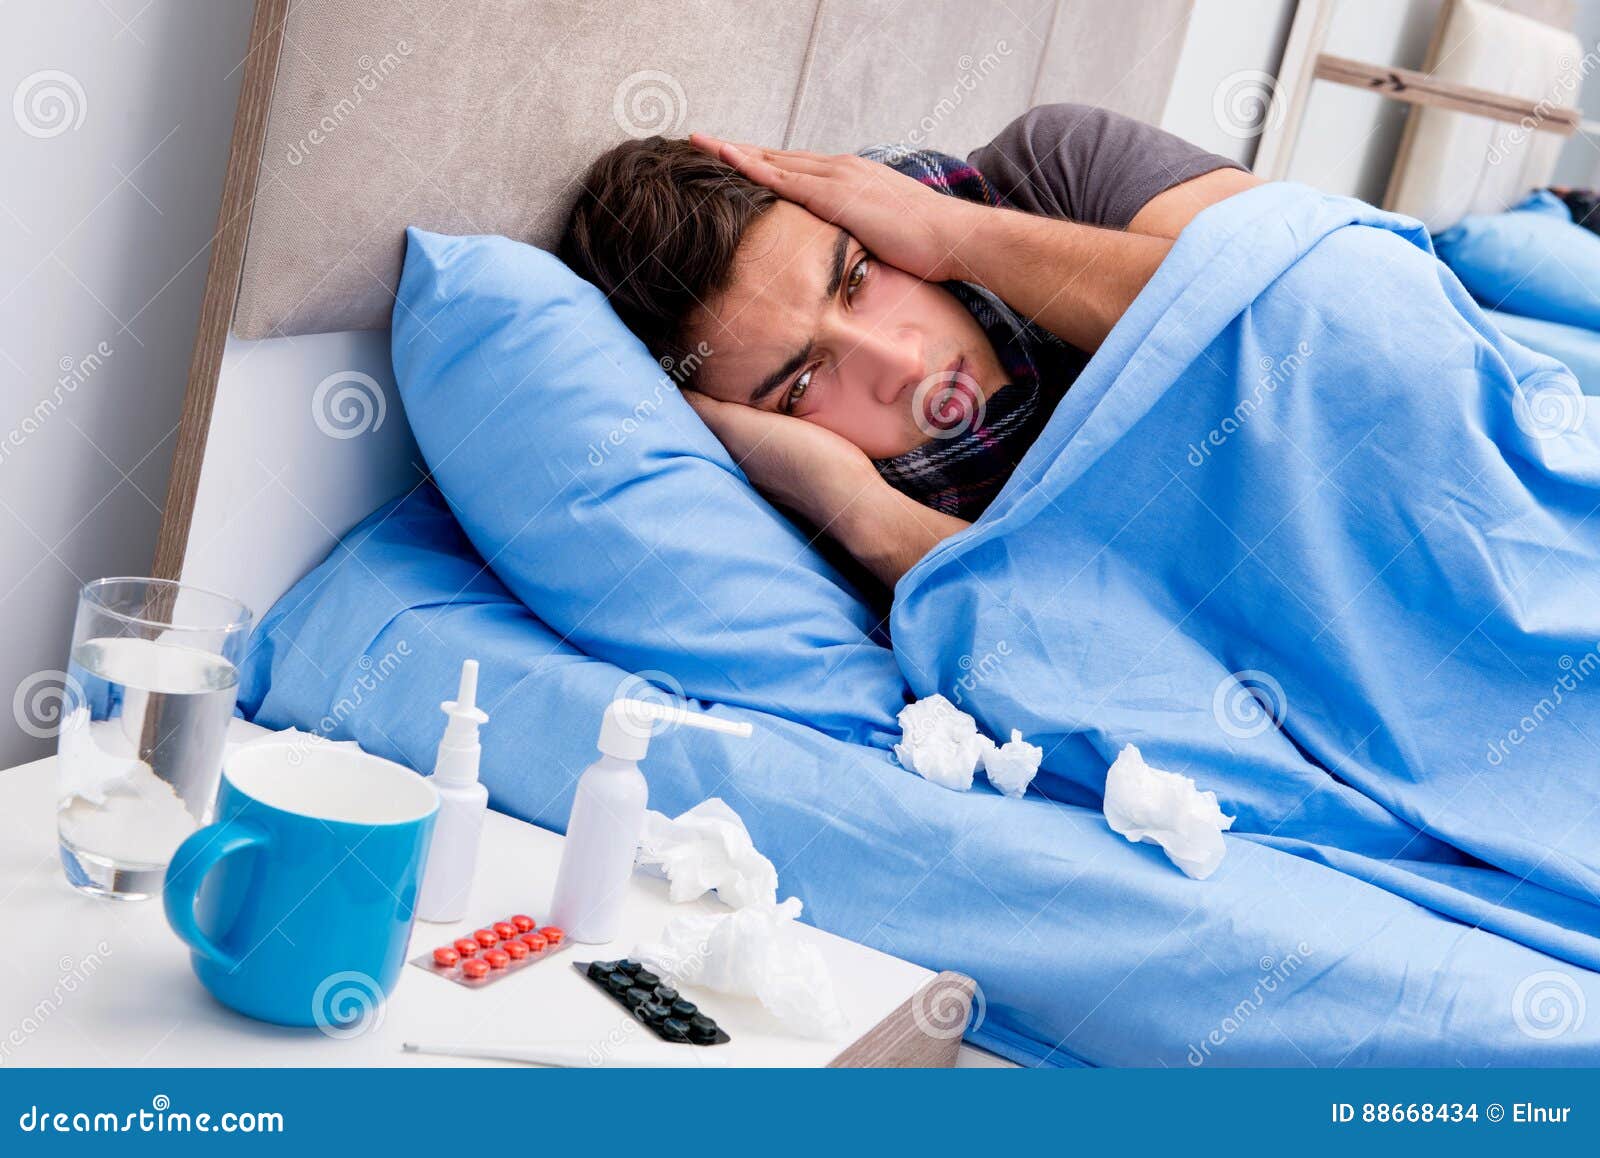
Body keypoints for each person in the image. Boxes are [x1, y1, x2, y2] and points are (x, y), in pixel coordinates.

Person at [560, 105, 1260, 587]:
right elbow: (1124, 647)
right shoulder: (837, 552)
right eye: (800, 387)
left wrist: (964, 238)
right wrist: (861, 508)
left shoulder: (1056, 166)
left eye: (858, 278)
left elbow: (1297, 303)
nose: (898, 365)